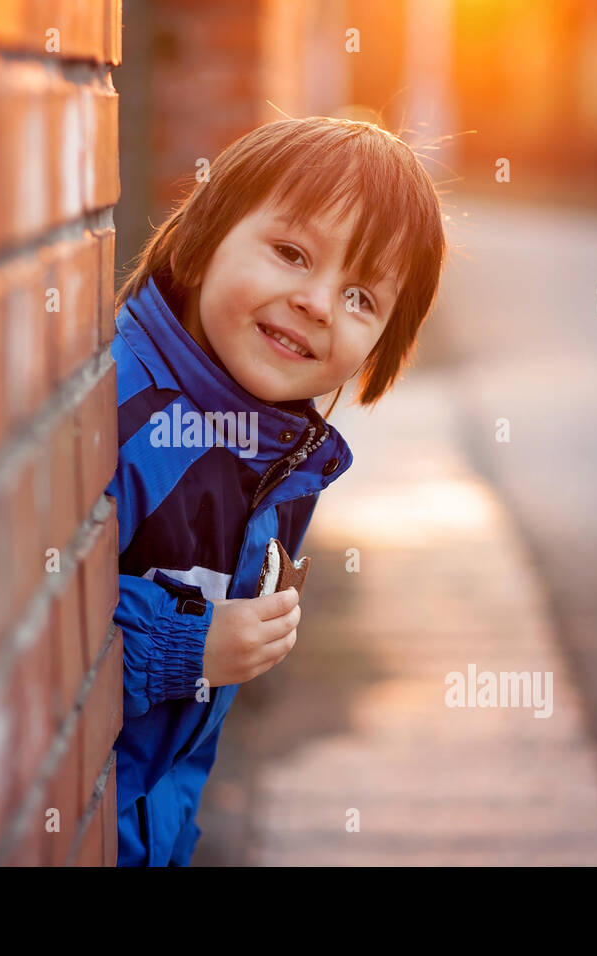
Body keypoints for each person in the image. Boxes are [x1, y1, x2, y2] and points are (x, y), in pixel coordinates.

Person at [106, 116, 447, 865]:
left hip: (157, 825)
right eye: (292, 254)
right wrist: (187, 643)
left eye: (362, 298)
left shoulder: (275, 446)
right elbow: (35, 636)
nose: (319, 303)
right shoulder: (121, 420)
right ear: (204, 240)